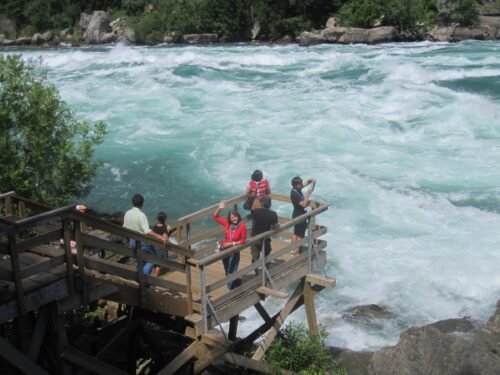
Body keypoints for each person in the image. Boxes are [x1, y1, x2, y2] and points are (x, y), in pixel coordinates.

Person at [123, 194, 167, 276]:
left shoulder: (127, 213)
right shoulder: (141, 215)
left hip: (132, 242)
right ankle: (142, 277)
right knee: (153, 259)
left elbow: (124, 228)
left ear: (132, 202)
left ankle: (140, 279)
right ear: (142, 203)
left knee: (138, 261)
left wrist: (128, 241)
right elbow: (147, 231)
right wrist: (160, 236)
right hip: (142, 242)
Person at [213, 200, 247, 289]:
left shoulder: (242, 226)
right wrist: (219, 208)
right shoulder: (227, 223)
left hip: (234, 250)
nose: (234, 219)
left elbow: (243, 241)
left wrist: (231, 243)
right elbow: (215, 216)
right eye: (232, 218)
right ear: (229, 219)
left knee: (231, 271)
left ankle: (231, 290)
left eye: (235, 217)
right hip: (224, 250)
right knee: (227, 270)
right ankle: (236, 281)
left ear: (238, 217)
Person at [250, 195, 278, 275]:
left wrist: (256, 198)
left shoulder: (256, 211)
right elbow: (274, 226)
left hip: (255, 237)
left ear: (262, 203)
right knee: (267, 253)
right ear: (270, 204)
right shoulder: (273, 214)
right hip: (265, 237)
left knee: (255, 256)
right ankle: (265, 270)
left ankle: (256, 272)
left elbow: (250, 208)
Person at [290, 176, 316, 254]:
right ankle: (296, 250)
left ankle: (294, 249)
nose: (302, 185)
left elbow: (304, 184)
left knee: (297, 233)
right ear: (297, 185)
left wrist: (310, 180)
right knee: (299, 235)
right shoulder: (294, 194)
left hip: (299, 214)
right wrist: (307, 194)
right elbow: (304, 205)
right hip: (299, 216)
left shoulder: (296, 189)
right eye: (300, 184)